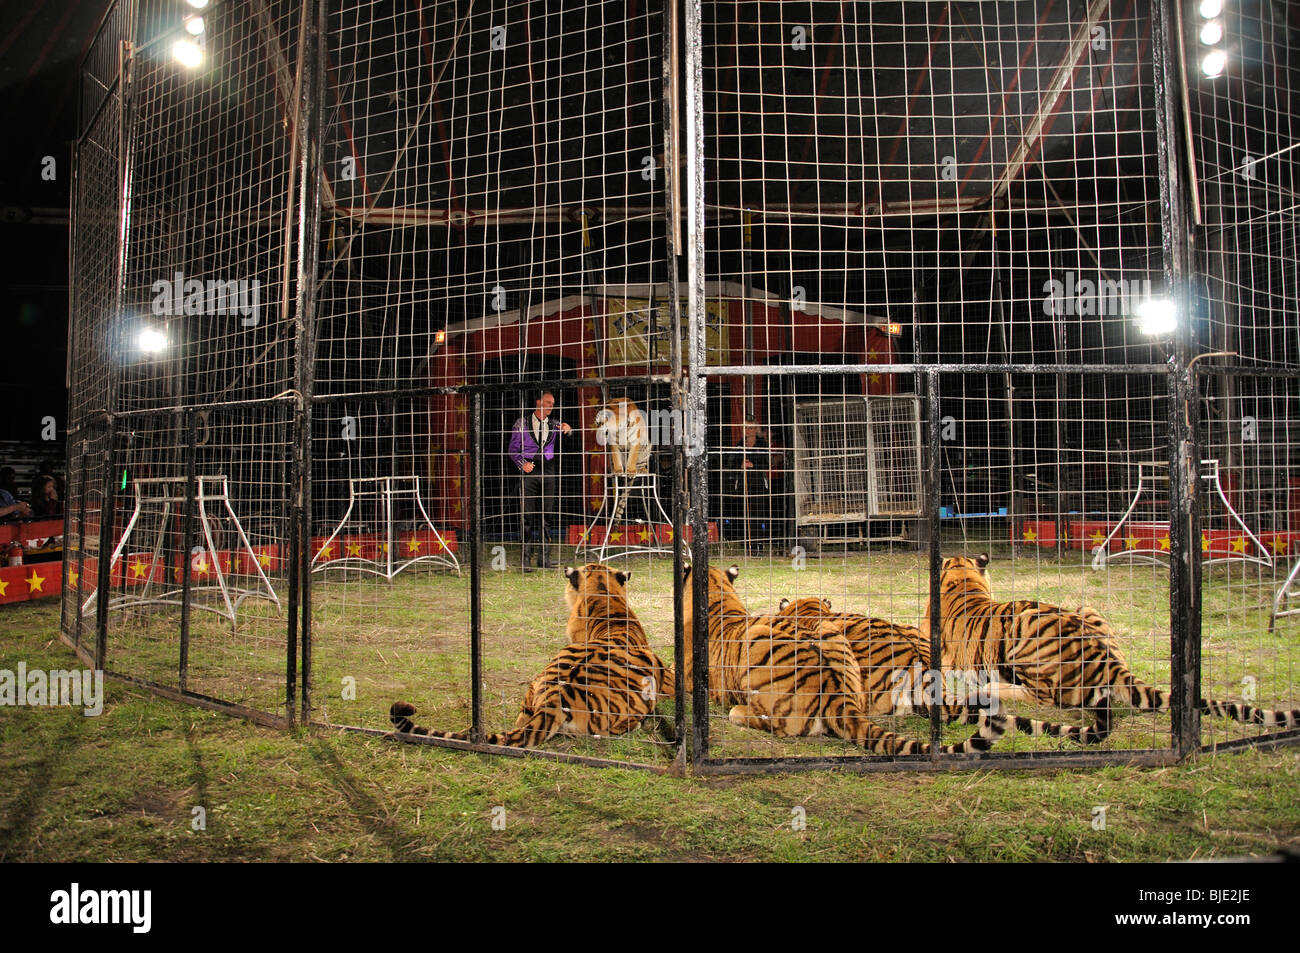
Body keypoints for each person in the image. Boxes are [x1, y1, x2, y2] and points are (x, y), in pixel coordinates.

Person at [508, 391, 572, 572]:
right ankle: (525, 559)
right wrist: (522, 464)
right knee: (526, 515)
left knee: (547, 515)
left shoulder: (554, 424)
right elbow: (512, 449)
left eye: (552, 404)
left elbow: (568, 431)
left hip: (548, 471)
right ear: (538, 402)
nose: (551, 406)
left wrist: (568, 430)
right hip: (529, 472)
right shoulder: (522, 423)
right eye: (547, 402)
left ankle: (544, 558)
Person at [725, 415, 772, 555]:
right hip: (742, 484)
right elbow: (730, 464)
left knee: (757, 516)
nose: (748, 430)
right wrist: (740, 465)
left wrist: (753, 465)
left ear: (756, 429)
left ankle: (758, 546)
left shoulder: (762, 444)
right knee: (744, 515)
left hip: (757, 483)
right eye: (746, 428)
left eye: (751, 428)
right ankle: (748, 546)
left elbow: (767, 463)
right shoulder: (739, 445)